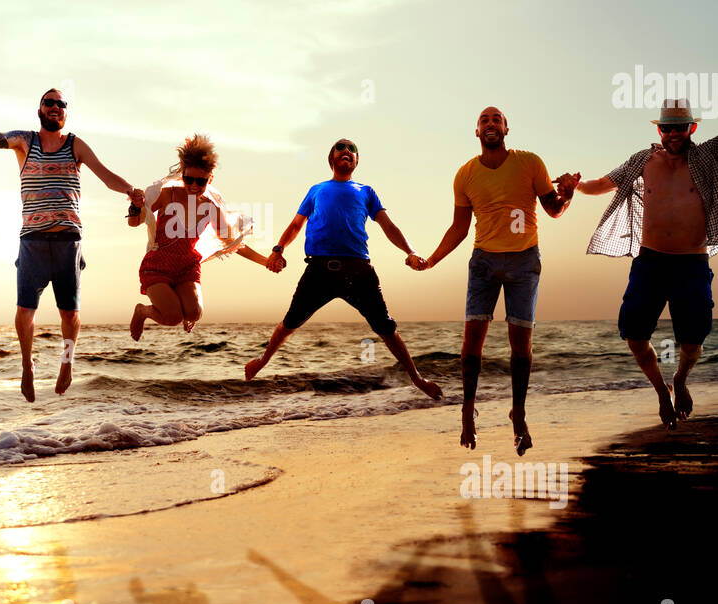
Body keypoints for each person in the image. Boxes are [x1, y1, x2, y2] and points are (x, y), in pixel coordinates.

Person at [575, 42, 718, 427]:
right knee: (633, 334)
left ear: (692, 128)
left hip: (692, 264)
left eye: (680, 127)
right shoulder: (642, 161)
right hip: (650, 262)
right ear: (659, 130)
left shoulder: (711, 155)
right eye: (667, 127)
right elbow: (600, 184)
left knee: (693, 340)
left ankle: (681, 378)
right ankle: (661, 389)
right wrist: (574, 185)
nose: (674, 133)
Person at [421, 107, 579, 455]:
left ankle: (518, 414)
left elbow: (553, 209)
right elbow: (459, 228)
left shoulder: (530, 163)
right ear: (476, 132)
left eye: (497, 119)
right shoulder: (464, 175)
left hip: (524, 262)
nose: (490, 123)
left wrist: (567, 192)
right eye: (484, 120)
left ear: (506, 128)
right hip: (484, 264)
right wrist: (432, 260)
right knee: (471, 347)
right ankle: (467, 410)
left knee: (520, 347)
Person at [244, 138, 442, 400]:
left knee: (386, 329)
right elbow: (295, 225)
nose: (347, 151)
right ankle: (263, 359)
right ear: (331, 158)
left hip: (358, 270)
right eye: (341, 148)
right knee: (289, 323)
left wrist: (411, 252)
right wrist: (278, 250)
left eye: (353, 150)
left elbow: (388, 226)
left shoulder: (366, 191)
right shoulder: (317, 190)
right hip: (318, 270)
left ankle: (417, 378)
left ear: (356, 161)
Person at [0, 88, 144, 401]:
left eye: (60, 103)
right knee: (24, 311)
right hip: (33, 241)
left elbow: (106, 175)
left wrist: (130, 191)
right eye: (49, 102)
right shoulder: (23, 141)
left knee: (69, 313)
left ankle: (66, 362)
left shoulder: (75, 144)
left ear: (65, 112)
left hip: (69, 240)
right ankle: (27, 364)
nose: (55, 107)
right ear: (40, 109)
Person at [128, 134, 273, 339]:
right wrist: (135, 207)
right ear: (182, 174)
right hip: (158, 265)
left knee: (195, 313)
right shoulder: (167, 195)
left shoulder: (211, 207)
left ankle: (182, 303)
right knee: (172, 317)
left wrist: (266, 261)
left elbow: (232, 244)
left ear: (210, 179)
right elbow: (134, 222)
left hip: (187, 266)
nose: (194, 185)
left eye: (201, 181)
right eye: (189, 179)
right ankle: (143, 311)